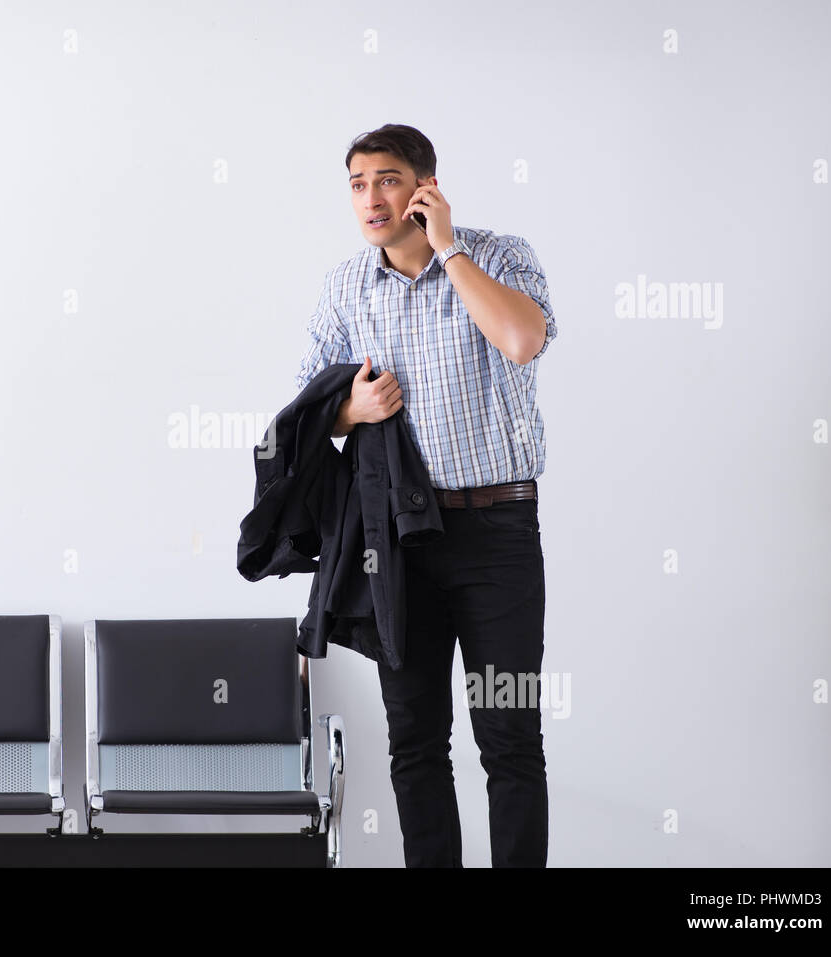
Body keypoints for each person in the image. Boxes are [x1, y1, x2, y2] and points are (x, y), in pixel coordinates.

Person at [293, 123, 557, 867]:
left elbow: (521, 340)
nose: (371, 197)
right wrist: (354, 410)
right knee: (413, 738)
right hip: (398, 543)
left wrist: (448, 248)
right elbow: (307, 411)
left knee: (509, 734)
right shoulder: (347, 286)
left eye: (386, 178)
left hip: (499, 533)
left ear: (424, 185)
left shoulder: (498, 254)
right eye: (357, 183)